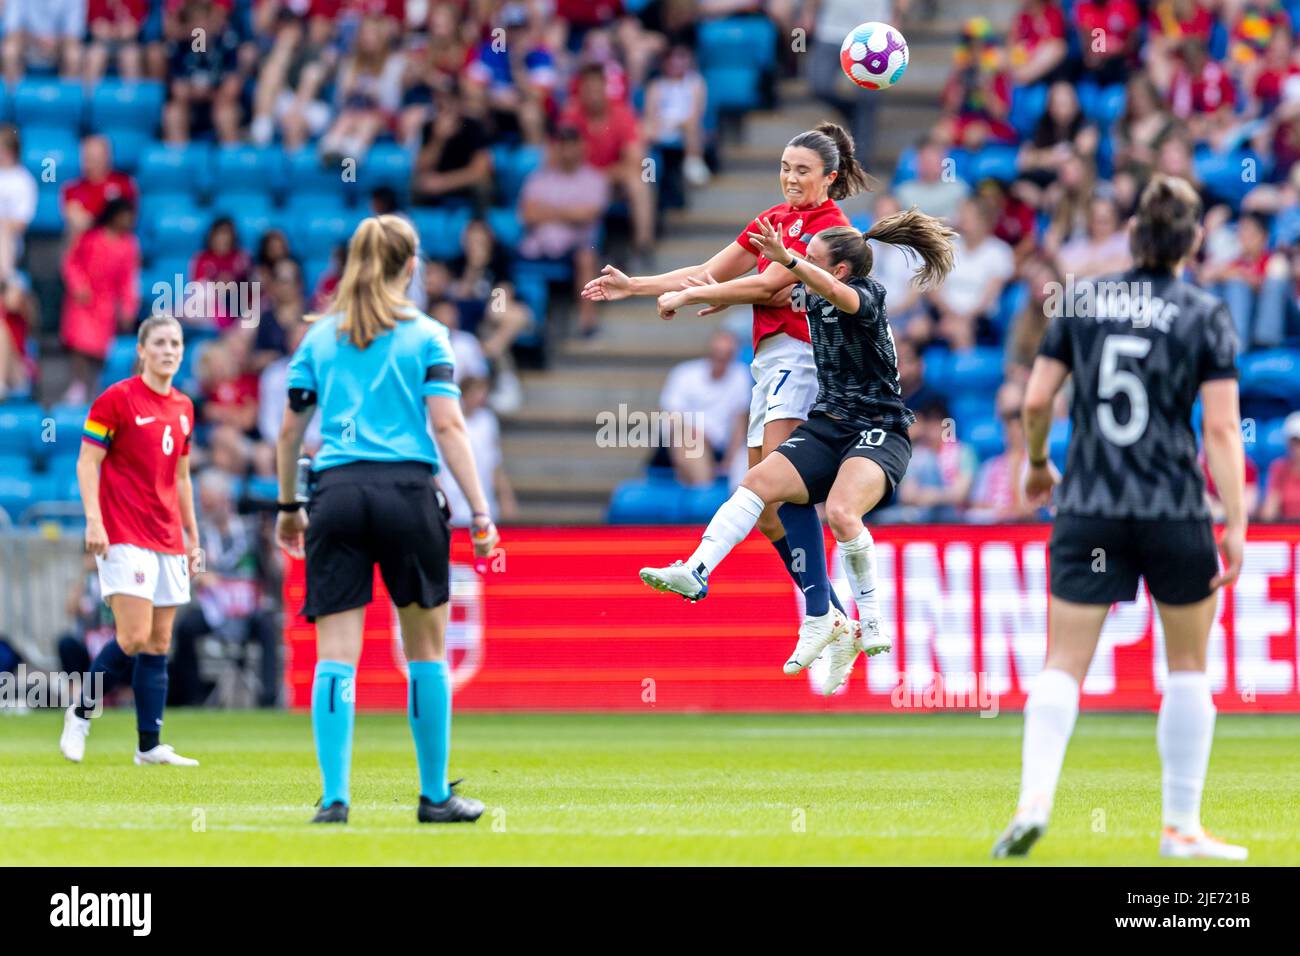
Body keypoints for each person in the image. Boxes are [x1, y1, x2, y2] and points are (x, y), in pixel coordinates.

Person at [993, 175, 1249, 861]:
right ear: (1194, 239)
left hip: (1091, 505)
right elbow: (1223, 432)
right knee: (1189, 667)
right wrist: (1239, 525)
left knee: (1062, 665)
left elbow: (1037, 398)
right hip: (1172, 508)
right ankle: (1180, 829)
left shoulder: (1081, 299)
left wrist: (1040, 464)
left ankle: (1034, 800)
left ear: (1133, 235)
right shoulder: (1206, 311)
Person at [639, 208, 957, 696]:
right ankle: (697, 571)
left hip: (880, 429)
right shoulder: (807, 287)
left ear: (840, 269)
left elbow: (829, 292)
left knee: (842, 513)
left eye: (809, 257)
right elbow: (756, 287)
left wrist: (783, 259)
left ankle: (869, 622)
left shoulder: (865, 296)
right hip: (831, 423)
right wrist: (695, 294)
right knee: (759, 484)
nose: (796, 263)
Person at [583, 123, 870, 655]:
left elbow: (769, 285)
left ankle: (794, 604)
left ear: (829, 178)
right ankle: (830, 612)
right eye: (785, 168)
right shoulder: (771, 220)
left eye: (802, 171)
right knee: (765, 509)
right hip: (766, 362)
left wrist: (695, 299)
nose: (789, 179)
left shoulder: (830, 230)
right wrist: (635, 286)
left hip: (804, 359)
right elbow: (708, 270)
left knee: (782, 485)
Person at [274, 214, 499, 825]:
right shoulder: (427, 335)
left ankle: (335, 798)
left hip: (337, 495)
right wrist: (481, 511)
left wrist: (289, 507)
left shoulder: (320, 338)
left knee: (335, 655)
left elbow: (291, 432)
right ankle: (433, 796)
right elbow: (449, 426)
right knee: (425, 650)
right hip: (407, 493)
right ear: (410, 266)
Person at [60, 315, 201, 768]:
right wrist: (93, 521)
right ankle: (80, 713)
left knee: (160, 643)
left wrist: (192, 534)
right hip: (124, 532)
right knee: (133, 635)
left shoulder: (183, 407)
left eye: (176, 342)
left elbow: (181, 477)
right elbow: (87, 462)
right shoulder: (117, 399)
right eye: (159, 342)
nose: (169, 349)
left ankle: (148, 745)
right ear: (141, 350)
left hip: (167, 536)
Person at [60, 198, 141, 405]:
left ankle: (94, 386)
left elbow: (127, 280)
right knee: (79, 341)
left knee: (97, 347)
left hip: (106, 303)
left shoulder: (129, 246)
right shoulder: (90, 237)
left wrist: (128, 307)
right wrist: (78, 286)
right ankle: (77, 384)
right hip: (83, 298)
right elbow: (71, 262)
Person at [1260, 411, 1300, 520]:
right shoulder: (1279, 468)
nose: (1298, 447)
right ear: (1288, 443)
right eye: (1296, 441)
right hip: (1287, 531)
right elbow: (1269, 512)